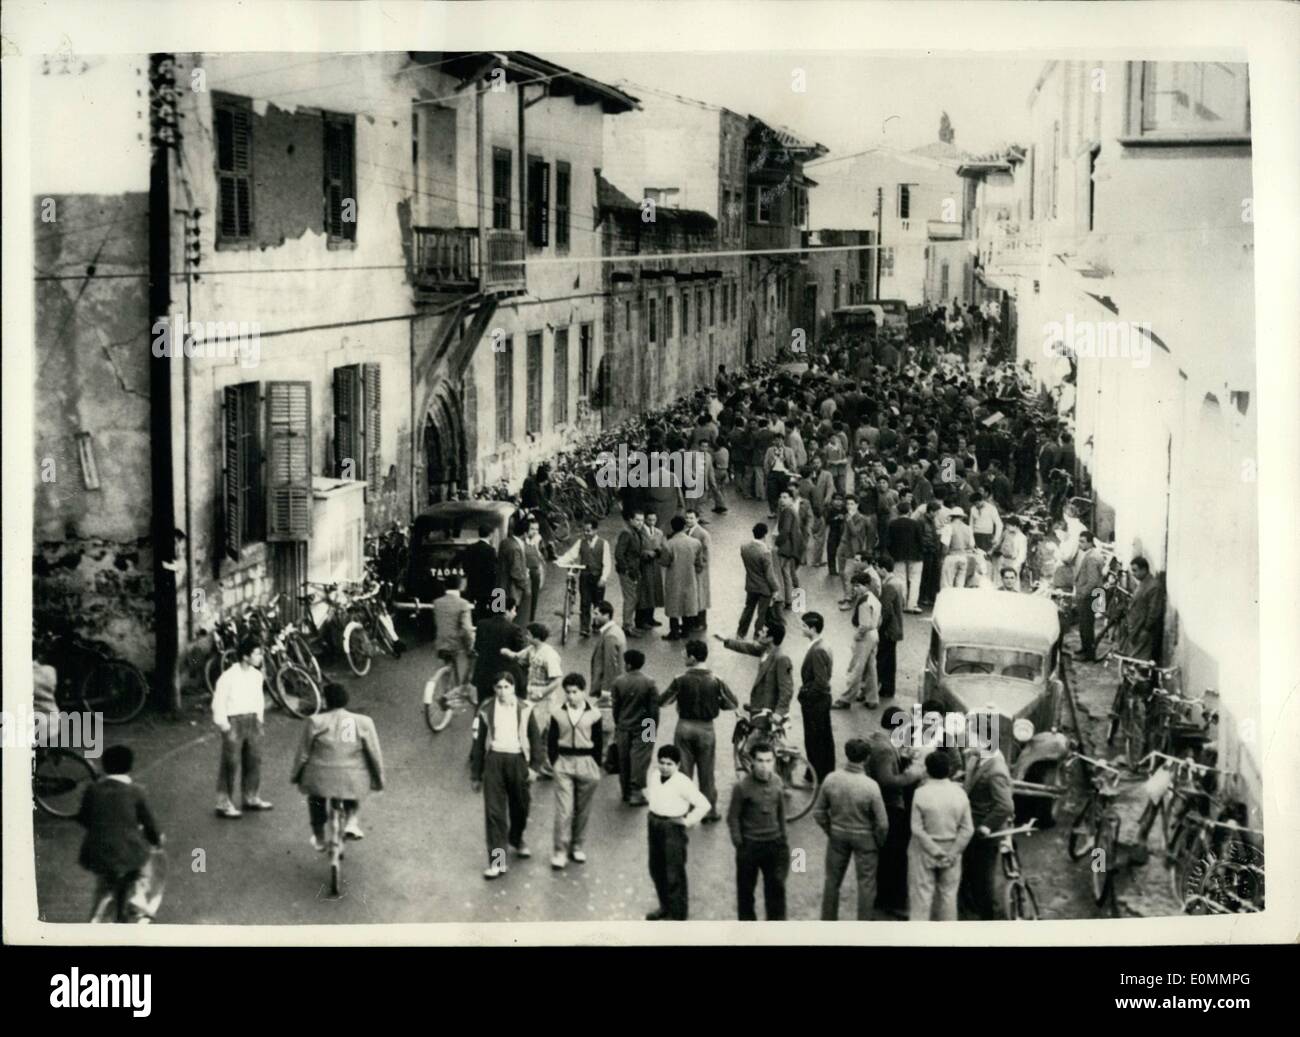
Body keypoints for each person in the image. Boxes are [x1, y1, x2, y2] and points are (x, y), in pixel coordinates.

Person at [469, 672, 545, 879]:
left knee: (521, 806)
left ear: (513, 688)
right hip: (494, 761)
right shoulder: (485, 710)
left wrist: (535, 767)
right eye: (498, 687)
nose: (502, 692)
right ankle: (498, 862)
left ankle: (516, 838)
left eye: (506, 687)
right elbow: (478, 743)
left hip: (518, 760)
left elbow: (536, 739)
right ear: (494, 689)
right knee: (495, 814)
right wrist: (476, 774)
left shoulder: (525, 709)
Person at [291, 681, 385, 847]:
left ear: (326, 701)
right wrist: (379, 779)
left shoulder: (315, 721)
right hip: (351, 777)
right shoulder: (364, 722)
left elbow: (303, 754)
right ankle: (351, 821)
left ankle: (319, 837)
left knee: (316, 800)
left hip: (320, 778)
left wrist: (296, 775)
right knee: (353, 787)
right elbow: (374, 754)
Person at [76, 745, 164, 922]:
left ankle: (94, 917)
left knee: (102, 885)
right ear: (130, 766)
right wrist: (156, 840)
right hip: (128, 852)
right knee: (145, 857)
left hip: (95, 852)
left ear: (104, 766)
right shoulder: (136, 791)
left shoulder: (92, 790)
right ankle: (138, 895)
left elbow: (83, 818)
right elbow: (149, 824)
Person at [659, 638, 738, 822]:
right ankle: (709, 812)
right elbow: (732, 703)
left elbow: (663, 701)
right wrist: (716, 702)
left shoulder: (680, 680)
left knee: (684, 772)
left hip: (684, 727)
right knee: (707, 772)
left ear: (693, 658)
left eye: (685, 654)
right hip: (706, 729)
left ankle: (683, 809)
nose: (682, 656)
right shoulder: (716, 680)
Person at [814, 738, 889, 920]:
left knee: (832, 881)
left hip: (838, 835)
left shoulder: (831, 779)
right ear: (867, 758)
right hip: (865, 838)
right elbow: (882, 824)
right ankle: (862, 925)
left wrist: (830, 829)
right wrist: (878, 841)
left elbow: (818, 812)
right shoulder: (871, 786)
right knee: (866, 884)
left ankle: (828, 922)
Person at [868, 705, 925, 916]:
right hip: (891, 807)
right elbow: (888, 780)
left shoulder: (879, 741)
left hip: (885, 805)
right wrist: (913, 774)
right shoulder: (883, 749)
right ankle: (893, 903)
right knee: (895, 856)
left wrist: (902, 757)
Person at [645, 744, 712, 920]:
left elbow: (704, 804)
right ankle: (664, 907)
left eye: (669, 764)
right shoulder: (654, 776)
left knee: (673, 872)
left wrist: (687, 821)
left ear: (678, 765)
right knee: (656, 868)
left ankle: (678, 915)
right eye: (662, 762)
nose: (665, 767)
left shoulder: (683, 782)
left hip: (672, 827)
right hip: (654, 823)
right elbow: (653, 796)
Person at [546, 673, 604, 869]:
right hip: (564, 762)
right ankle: (560, 851)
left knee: (583, 810)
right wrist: (555, 761)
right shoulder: (557, 713)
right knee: (565, 810)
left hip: (587, 762)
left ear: (583, 692)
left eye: (574, 692)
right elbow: (551, 741)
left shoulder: (595, 714)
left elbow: (599, 742)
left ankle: (577, 845)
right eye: (568, 692)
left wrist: (596, 764)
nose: (570, 696)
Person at [908, 749, 974, 921]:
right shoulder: (960, 794)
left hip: (925, 850)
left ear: (927, 770)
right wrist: (952, 853)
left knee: (922, 896)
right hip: (952, 848)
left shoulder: (921, 793)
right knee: (948, 897)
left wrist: (934, 850)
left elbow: (916, 828)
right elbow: (968, 829)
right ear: (948, 770)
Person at [727, 742, 789, 920]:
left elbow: (781, 813)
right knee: (746, 894)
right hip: (750, 846)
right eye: (760, 761)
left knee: (776, 891)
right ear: (752, 762)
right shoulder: (742, 787)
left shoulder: (777, 782)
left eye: (769, 760)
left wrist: (783, 841)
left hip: (774, 844)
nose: (764, 765)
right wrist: (740, 844)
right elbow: (733, 817)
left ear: (774, 761)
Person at [212, 636, 272, 819]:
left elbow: (258, 699)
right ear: (245, 656)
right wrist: (223, 723)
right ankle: (223, 803)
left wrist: (259, 719)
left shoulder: (256, 675)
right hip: (234, 722)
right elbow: (219, 701)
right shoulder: (228, 677)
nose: (260, 656)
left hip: (253, 720)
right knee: (230, 763)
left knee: (254, 760)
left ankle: (251, 797)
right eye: (257, 653)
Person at [959, 734, 1015, 919]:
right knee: (969, 870)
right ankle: (970, 908)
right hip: (971, 827)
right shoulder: (978, 758)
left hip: (984, 834)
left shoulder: (996, 770)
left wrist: (986, 827)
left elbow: (1005, 806)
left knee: (983, 879)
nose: (968, 742)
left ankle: (988, 918)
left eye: (972, 740)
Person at [500, 622, 564, 778]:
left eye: (528, 634)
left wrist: (542, 693)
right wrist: (507, 652)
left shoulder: (549, 655)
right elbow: (518, 657)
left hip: (544, 701)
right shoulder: (532, 649)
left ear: (536, 637)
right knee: (530, 731)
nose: (526, 637)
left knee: (538, 732)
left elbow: (557, 681)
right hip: (531, 697)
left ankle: (543, 767)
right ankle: (542, 765)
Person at [719, 621, 794, 723]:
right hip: (758, 705)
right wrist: (727, 641)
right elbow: (747, 647)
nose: (759, 633)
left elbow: (787, 690)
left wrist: (779, 714)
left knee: (755, 737)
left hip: (768, 711)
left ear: (770, 638)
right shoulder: (766, 649)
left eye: (763, 632)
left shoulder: (782, 659)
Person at [611, 649, 659, 806]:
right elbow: (654, 710)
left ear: (628, 664)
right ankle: (636, 792)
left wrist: (618, 723)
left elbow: (615, 707)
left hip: (624, 724)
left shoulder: (618, 681)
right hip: (645, 725)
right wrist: (652, 731)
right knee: (640, 758)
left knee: (623, 758)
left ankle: (625, 791)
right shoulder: (649, 682)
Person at [556, 517, 613, 637]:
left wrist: (604, 577)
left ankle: (597, 623)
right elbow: (571, 554)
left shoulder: (603, 544)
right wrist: (560, 560)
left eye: (589, 531)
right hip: (585, 577)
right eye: (584, 531)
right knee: (585, 602)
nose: (586, 533)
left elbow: (607, 563)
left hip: (597, 576)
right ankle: (584, 627)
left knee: (598, 602)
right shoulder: (580, 543)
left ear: (595, 530)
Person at [833, 571, 881, 709]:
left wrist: (857, 636)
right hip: (874, 633)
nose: (855, 589)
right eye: (854, 586)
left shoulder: (864, 602)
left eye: (858, 586)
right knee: (871, 667)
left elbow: (864, 624)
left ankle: (847, 698)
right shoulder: (874, 599)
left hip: (865, 635)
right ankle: (872, 698)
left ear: (866, 585)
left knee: (856, 667)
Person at [798, 612, 836, 783]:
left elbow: (820, 682)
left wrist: (806, 695)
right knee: (823, 738)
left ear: (813, 629)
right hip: (821, 699)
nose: (802, 628)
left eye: (804, 626)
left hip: (816, 701)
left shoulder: (817, 651)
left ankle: (816, 773)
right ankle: (821, 771)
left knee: (814, 740)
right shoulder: (823, 645)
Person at [471, 597, 527, 704]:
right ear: (506, 611)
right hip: (505, 677)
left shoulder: (481, 625)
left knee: (482, 706)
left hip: (483, 674)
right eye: (514, 610)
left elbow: (477, 647)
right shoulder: (514, 628)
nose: (515, 614)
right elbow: (520, 654)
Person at [659, 514, 703, 640]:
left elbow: (664, 562)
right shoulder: (695, 543)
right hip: (690, 577)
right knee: (688, 603)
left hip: (674, 578)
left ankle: (674, 632)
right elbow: (699, 562)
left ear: (672, 528)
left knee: (674, 604)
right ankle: (686, 631)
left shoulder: (669, 544)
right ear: (684, 527)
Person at [737, 522, 781, 639]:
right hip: (764, 588)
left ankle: (741, 633)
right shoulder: (765, 552)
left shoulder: (744, 547)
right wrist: (775, 589)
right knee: (762, 613)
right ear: (765, 535)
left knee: (748, 609)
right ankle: (757, 635)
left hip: (751, 585)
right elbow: (769, 574)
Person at [432, 573, 475, 688]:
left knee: (445, 681)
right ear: (461, 585)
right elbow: (466, 629)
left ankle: (446, 697)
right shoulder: (463, 604)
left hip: (441, 644)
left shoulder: (437, 603)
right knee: (470, 668)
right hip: (456, 646)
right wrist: (471, 647)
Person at [1118, 557, 1164, 661]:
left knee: (1140, 661)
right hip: (1136, 628)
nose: (1133, 574)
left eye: (1135, 570)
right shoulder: (1143, 583)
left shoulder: (1153, 586)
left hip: (1143, 630)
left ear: (1144, 570)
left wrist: (1146, 628)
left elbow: (1154, 611)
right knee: (1134, 659)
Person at [1073, 530, 1106, 661]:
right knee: (1086, 625)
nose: (1080, 544)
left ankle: (1087, 654)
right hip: (1091, 595)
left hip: (1088, 596)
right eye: (1079, 541)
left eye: (1083, 541)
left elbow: (1092, 581)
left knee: (1086, 626)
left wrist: (1082, 593)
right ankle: (1085, 649)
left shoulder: (1092, 557)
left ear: (1090, 542)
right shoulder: (1092, 554)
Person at [877, 554, 905, 700]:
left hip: (889, 629)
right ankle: (889, 688)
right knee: (890, 659)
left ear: (883, 569)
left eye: (877, 568)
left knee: (883, 659)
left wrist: (880, 627)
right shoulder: (898, 582)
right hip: (896, 626)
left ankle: (884, 688)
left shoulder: (889, 585)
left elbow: (886, 610)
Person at [887, 504, 925, 614]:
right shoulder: (915, 523)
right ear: (910, 511)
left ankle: (902, 603)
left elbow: (888, 542)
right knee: (915, 580)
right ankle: (912, 605)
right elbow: (920, 540)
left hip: (898, 555)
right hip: (915, 555)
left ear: (898, 512)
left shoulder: (892, 524)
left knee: (900, 579)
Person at [614, 510, 646, 636]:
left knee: (632, 598)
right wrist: (626, 569)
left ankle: (629, 624)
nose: (640, 523)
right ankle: (627, 626)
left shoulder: (635, 532)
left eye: (642, 520)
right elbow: (619, 553)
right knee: (630, 598)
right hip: (628, 571)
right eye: (637, 520)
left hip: (633, 570)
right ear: (631, 520)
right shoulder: (626, 533)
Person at [836, 495, 872, 606]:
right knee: (842, 573)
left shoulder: (861, 518)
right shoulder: (846, 516)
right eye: (847, 504)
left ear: (857, 505)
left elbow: (855, 532)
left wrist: (850, 520)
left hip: (854, 549)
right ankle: (848, 594)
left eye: (852, 504)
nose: (849, 506)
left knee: (848, 573)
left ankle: (848, 597)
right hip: (843, 546)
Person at [590, 600, 627, 704]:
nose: (593, 617)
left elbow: (610, 666)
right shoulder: (614, 630)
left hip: (609, 692)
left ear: (606, 615)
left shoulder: (610, 636)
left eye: (596, 614)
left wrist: (606, 693)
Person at [497, 518, 531, 628]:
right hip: (511, 590)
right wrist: (525, 585)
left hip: (499, 587)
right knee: (512, 621)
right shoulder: (515, 548)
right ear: (525, 533)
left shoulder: (505, 542)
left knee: (498, 618)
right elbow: (515, 571)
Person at [684, 508, 712, 632]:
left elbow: (706, 552)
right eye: (687, 518)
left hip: (699, 570)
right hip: (690, 569)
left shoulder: (703, 534)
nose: (689, 520)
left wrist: (701, 566)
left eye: (691, 518)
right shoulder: (685, 532)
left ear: (697, 519)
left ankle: (701, 623)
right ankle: (693, 622)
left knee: (700, 596)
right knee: (692, 596)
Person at [774, 489, 804, 610]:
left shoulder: (787, 511)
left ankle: (786, 599)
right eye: (781, 496)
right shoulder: (792, 510)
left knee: (783, 573)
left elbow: (785, 530)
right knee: (787, 573)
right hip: (792, 546)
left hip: (785, 547)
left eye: (785, 497)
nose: (782, 499)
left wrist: (778, 542)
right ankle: (792, 600)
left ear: (791, 499)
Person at [463, 524, 499, 621]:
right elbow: (492, 570)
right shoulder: (491, 550)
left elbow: (465, 567)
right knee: (484, 610)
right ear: (490, 535)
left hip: (472, 585)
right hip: (486, 587)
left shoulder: (470, 548)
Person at [640, 511, 668, 629]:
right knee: (645, 591)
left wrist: (658, 552)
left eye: (654, 520)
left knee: (654, 590)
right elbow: (638, 547)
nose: (652, 522)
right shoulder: (640, 532)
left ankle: (650, 617)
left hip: (655, 565)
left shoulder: (659, 532)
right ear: (645, 519)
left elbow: (664, 546)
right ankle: (642, 619)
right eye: (649, 520)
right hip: (644, 565)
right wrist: (646, 553)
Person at [942, 507, 974, 588]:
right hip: (963, 556)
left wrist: (943, 557)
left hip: (951, 556)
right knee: (960, 585)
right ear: (962, 517)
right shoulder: (968, 528)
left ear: (952, 516)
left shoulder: (948, 527)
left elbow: (945, 545)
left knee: (947, 584)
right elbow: (971, 545)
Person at [522, 516, 546, 622]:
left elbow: (543, 555)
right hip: (525, 571)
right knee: (525, 597)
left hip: (535, 571)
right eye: (532, 529)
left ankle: (531, 618)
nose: (535, 532)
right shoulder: (523, 541)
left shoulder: (538, 540)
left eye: (537, 529)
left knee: (534, 596)